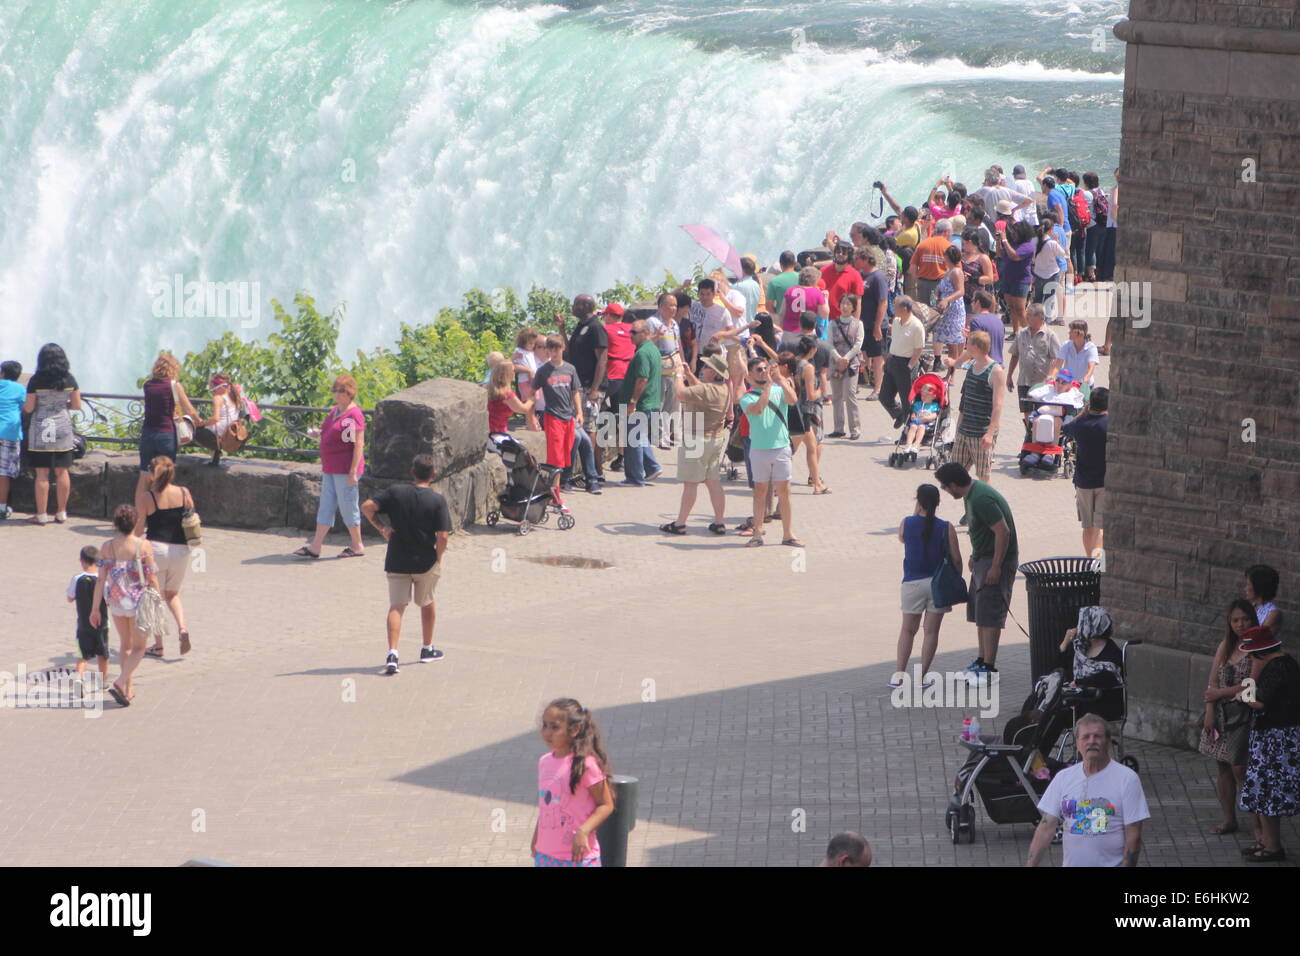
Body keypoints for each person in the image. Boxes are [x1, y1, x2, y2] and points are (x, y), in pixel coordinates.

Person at [360, 453, 451, 675]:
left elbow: (367, 506)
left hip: (397, 558)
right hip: (425, 561)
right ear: (434, 475)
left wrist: (382, 528)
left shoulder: (395, 492)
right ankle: (427, 649)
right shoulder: (437, 500)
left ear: (412, 472)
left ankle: (393, 653)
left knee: (397, 607)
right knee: (427, 603)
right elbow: (443, 536)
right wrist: (438, 557)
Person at [1027, 714, 1149, 867]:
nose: (1092, 741)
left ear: (1108, 741)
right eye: (1085, 737)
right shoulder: (1063, 778)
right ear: (1077, 743)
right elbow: (1045, 828)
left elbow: (1134, 835)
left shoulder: (1127, 779)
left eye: (1097, 736)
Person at [934, 461, 1018, 679]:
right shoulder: (971, 495)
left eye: (944, 487)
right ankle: (982, 660)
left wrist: (996, 566)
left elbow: (1003, 532)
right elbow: (980, 530)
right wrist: (974, 555)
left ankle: (989, 668)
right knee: (980, 613)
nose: (944, 491)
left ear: (953, 484)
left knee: (990, 614)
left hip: (995, 562)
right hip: (984, 559)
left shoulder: (981, 498)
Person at [89, 503, 162, 708]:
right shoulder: (143, 546)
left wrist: (95, 608)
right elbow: (152, 577)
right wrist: (158, 602)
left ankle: (128, 690)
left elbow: (100, 579)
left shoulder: (107, 547)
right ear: (136, 522)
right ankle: (121, 681)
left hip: (117, 601)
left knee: (125, 645)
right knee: (139, 648)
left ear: (115, 524)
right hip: (139, 601)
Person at [1238, 625, 1300, 862]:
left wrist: (1244, 697)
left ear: (1260, 654)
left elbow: (1261, 702)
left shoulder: (1277, 668)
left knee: (1267, 793)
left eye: (1253, 655)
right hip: (1279, 737)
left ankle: (1272, 847)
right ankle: (1266, 841)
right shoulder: (1288, 663)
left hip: (1276, 740)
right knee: (1266, 793)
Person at [1199, 600, 1260, 839]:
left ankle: (1258, 827)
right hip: (1221, 714)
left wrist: (1219, 694)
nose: (1240, 624)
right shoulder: (1226, 645)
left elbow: (1251, 685)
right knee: (1222, 766)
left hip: (1243, 715)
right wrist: (1210, 709)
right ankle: (1229, 819)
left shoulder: (1256, 649)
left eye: (1244, 619)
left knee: (1240, 769)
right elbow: (1212, 681)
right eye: (1235, 620)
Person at [891, 484, 962, 688]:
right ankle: (921, 677)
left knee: (907, 630)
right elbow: (956, 559)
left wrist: (917, 511)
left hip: (912, 583)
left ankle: (899, 675)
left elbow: (902, 539)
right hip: (937, 584)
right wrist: (955, 578)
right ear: (938, 504)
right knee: (931, 632)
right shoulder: (946, 527)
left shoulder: (907, 523)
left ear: (918, 501)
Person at [532, 698, 615, 867]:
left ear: (575, 729)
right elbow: (546, 806)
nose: (547, 732)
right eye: (545, 725)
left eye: (555, 727)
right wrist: (536, 838)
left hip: (578, 858)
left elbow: (606, 805)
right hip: (546, 855)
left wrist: (583, 831)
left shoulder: (586, 764)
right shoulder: (544, 762)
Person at [293, 375, 366, 559]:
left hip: (344, 469)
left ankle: (357, 545)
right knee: (326, 505)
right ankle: (315, 546)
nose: (336, 394)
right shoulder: (335, 411)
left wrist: (353, 471)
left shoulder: (353, 414)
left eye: (340, 391)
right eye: (335, 390)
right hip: (331, 467)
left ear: (350, 392)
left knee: (348, 506)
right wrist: (318, 433)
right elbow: (331, 431)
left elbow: (357, 444)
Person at [661, 352, 730, 536]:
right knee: (713, 482)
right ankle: (719, 522)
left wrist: (677, 375)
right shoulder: (722, 388)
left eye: (707, 367)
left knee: (690, 484)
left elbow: (681, 394)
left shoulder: (707, 390)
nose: (703, 368)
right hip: (715, 439)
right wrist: (690, 375)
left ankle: (680, 523)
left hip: (696, 439)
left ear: (715, 372)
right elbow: (701, 390)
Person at [134, 456, 195, 658]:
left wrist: (130, 547)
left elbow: (140, 528)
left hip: (156, 550)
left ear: (152, 474)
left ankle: (158, 646)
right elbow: (192, 518)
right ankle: (182, 628)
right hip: (181, 549)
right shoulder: (184, 492)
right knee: (172, 594)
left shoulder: (147, 497)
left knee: (155, 598)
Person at [740, 355, 800, 548]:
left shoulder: (778, 389)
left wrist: (781, 380)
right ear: (750, 374)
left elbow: (793, 400)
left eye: (765, 368)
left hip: (781, 447)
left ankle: (788, 534)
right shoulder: (747, 396)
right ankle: (757, 533)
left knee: (784, 491)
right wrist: (767, 386)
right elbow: (758, 409)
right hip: (759, 449)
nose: (764, 371)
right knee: (760, 492)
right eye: (759, 369)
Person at [23, 343, 82, 525]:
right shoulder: (69, 379)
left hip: (42, 426)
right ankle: (62, 512)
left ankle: (41, 514)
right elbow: (77, 405)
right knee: (62, 471)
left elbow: (29, 407)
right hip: (62, 426)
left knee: (42, 473)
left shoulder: (36, 380)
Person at [135, 353, 201, 503]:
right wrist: (201, 421)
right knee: (164, 478)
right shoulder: (174, 385)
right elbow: (189, 410)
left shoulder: (147, 385)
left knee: (144, 477)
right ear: (173, 368)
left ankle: (141, 516)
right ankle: (161, 512)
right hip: (166, 436)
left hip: (148, 435)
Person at [948, 331, 1005, 487]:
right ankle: (968, 502)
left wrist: (989, 434)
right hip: (964, 430)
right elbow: (965, 400)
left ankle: (987, 506)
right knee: (956, 472)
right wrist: (954, 363)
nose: (965, 346)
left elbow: (998, 405)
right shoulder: (972, 364)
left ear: (975, 347)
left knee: (983, 477)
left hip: (981, 433)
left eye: (968, 344)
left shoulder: (996, 371)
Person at [532, 334, 583, 512]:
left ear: (563, 349)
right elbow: (532, 392)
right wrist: (530, 416)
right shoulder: (543, 371)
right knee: (556, 460)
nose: (553, 352)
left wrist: (579, 412)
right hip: (552, 417)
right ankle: (556, 497)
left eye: (556, 349)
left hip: (567, 417)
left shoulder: (570, 369)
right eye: (550, 349)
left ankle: (553, 492)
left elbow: (575, 391)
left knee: (564, 458)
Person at [558, 296, 608, 472]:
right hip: (579, 386)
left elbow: (602, 359)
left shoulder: (596, 327)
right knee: (580, 427)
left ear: (585, 306)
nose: (573, 307)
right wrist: (562, 329)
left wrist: (595, 389)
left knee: (588, 428)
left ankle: (593, 472)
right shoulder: (582, 326)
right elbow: (570, 351)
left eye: (575, 304)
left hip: (590, 386)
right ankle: (587, 471)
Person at [1061, 387, 1108, 559]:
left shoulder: (1080, 424)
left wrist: (1082, 414)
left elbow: (1065, 429)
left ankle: (1090, 563)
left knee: (1087, 527)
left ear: (1090, 404)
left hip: (1083, 482)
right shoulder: (1110, 423)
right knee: (1100, 528)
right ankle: (1098, 568)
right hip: (1104, 482)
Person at [618, 319, 663, 486]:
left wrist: (632, 401)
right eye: (630, 331)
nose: (630, 335)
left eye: (634, 332)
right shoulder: (652, 349)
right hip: (650, 402)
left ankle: (635, 477)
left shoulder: (643, 353)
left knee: (633, 439)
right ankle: (652, 467)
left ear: (645, 333)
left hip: (641, 403)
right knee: (639, 436)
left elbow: (642, 378)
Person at [1006, 303, 1061, 432]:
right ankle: (1030, 439)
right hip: (1024, 381)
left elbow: (1057, 360)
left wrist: (1051, 376)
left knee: (1042, 414)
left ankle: (1040, 441)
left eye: (1029, 315)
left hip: (1042, 384)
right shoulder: (1021, 334)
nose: (1026, 317)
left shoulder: (1050, 335)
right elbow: (1015, 355)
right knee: (1027, 414)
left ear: (1040, 317)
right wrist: (1009, 376)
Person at [67, 544, 110, 695]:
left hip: (83, 624)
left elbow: (70, 598)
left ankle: (79, 679)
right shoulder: (103, 580)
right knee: (103, 653)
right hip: (102, 623)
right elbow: (109, 599)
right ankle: (103, 681)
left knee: (82, 654)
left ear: (82, 561)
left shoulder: (77, 578)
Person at [880, 296, 926, 429]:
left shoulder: (916, 325)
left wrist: (910, 366)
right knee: (884, 396)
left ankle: (908, 431)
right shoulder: (896, 321)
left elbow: (919, 348)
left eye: (895, 307)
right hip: (893, 360)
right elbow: (894, 341)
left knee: (907, 400)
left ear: (904, 309)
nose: (892, 309)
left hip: (906, 363)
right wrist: (888, 359)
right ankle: (899, 414)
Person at [191, 373, 254, 465]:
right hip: (231, 434)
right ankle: (216, 454)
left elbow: (215, 419)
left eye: (212, 387)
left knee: (194, 430)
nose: (212, 391)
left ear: (218, 386)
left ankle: (216, 450)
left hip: (219, 435)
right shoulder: (233, 396)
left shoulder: (218, 398)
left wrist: (201, 423)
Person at [826, 292, 864, 440]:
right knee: (836, 396)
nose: (845, 306)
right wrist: (838, 358)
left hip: (851, 365)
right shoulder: (832, 323)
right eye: (843, 303)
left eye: (848, 304)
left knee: (850, 395)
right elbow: (829, 342)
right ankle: (838, 428)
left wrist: (846, 358)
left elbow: (858, 344)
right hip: (836, 364)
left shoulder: (858, 324)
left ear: (854, 307)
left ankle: (855, 429)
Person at [647, 292, 683, 447]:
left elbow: (678, 344)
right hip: (660, 367)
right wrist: (657, 337)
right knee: (659, 403)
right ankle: (657, 436)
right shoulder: (653, 322)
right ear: (661, 306)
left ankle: (665, 434)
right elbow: (644, 343)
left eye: (675, 305)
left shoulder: (674, 323)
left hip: (674, 366)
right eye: (670, 305)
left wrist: (683, 362)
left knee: (670, 404)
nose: (674, 308)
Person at [856, 249, 890, 400]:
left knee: (877, 357)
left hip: (876, 323)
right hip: (864, 323)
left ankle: (878, 389)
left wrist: (877, 325)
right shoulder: (862, 275)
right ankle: (869, 381)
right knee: (864, 354)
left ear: (866, 259)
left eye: (858, 258)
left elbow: (883, 302)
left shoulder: (878, 277)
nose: (856, 261)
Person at [932, 245, 967, 372]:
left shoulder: (956, 272)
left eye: (944, 255)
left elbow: (961, 291)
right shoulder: (949, 271)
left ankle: (951, 374)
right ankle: (950, 372)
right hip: (945, 311)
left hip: (954, 310)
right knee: (948, 342)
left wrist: (947, 299)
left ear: (948, 257)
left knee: (952, 344)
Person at [0, 360, 25, 520]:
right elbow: (26, 407)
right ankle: (2, 508)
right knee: (4, 473)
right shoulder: (20, 388)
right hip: (10, 433)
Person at [912, 219, 954, 307]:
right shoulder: (949, 246)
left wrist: (918, 280)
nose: (951, 235)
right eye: (951, 232)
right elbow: (957, 269)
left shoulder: (922, 244)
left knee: (923, 311)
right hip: (938, 286)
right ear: (946, 232)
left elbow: (913, 266)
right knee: (935, 311)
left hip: (922, 284)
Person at [820, 243, 863, 326]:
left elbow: (857, 301)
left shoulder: (855, 276)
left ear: (849, 256)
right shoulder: (823, 271)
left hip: (843, 323)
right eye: (838, 252)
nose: (840, 254)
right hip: (823, 322)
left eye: (844, 253)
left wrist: (855, 324)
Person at [486, 361, 535, 435]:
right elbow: (523, 409)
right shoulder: (507, 394)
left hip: (488, 431)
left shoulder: (489, 388)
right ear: (506, 374)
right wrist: (531, 399)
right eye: (512, 371)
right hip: (498, 432)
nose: (514, 373)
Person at [1050, 320, 1099, 389]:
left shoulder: (1091, 347)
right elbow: (1058, 366)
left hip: (1084, 384)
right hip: (1067, 383)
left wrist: (1084, 382)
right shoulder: (1066, 345)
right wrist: (1051, 377)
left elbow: (1091, 368)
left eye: (1071, 331)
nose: (1069, 333)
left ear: (1079, 333)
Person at [511, 328, 543, 431]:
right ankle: (531, 423)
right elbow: (514, 366)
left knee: (533, 404)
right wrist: (528, 371)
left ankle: (532, 422)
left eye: (534, 344)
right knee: (529, 403)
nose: (532, 346)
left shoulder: (531, 353)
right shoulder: (519, 352)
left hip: (533, 380)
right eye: (530, 343)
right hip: (525, 381)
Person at [901, 381, 941, 458]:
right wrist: (913, 415)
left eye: (927, 395)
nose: (924, 397)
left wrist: (928, 418)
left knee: (921, 427)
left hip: (927, 424)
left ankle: (916, 444)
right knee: (912, 427)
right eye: (922, 395)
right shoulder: (918, 404)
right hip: (916, 421)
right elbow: (914, 412)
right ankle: (908, 444)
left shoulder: (934, 406)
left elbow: (935, 414)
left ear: (933, 396)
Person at [965, 291, 1005, 366]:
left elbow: (976, 347)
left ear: (978, 303)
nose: (971, 303)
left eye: (972, 301)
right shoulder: (999, 321)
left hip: (983, 366)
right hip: (998, 365)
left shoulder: (976, 321)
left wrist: (969, 338)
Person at [766, 251, 800, 332]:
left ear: (781, 264)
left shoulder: (774, 281)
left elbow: (768, 306)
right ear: (795, 263)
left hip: (783, 322)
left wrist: (777, 312)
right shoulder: (803, 278)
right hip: (801, 320)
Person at [1245, 564, 1282, 635]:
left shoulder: (1273, 613)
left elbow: (1259, 636)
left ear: (1258, 586)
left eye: (1248, 584)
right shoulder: (1249, 607)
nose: (1245, 588)